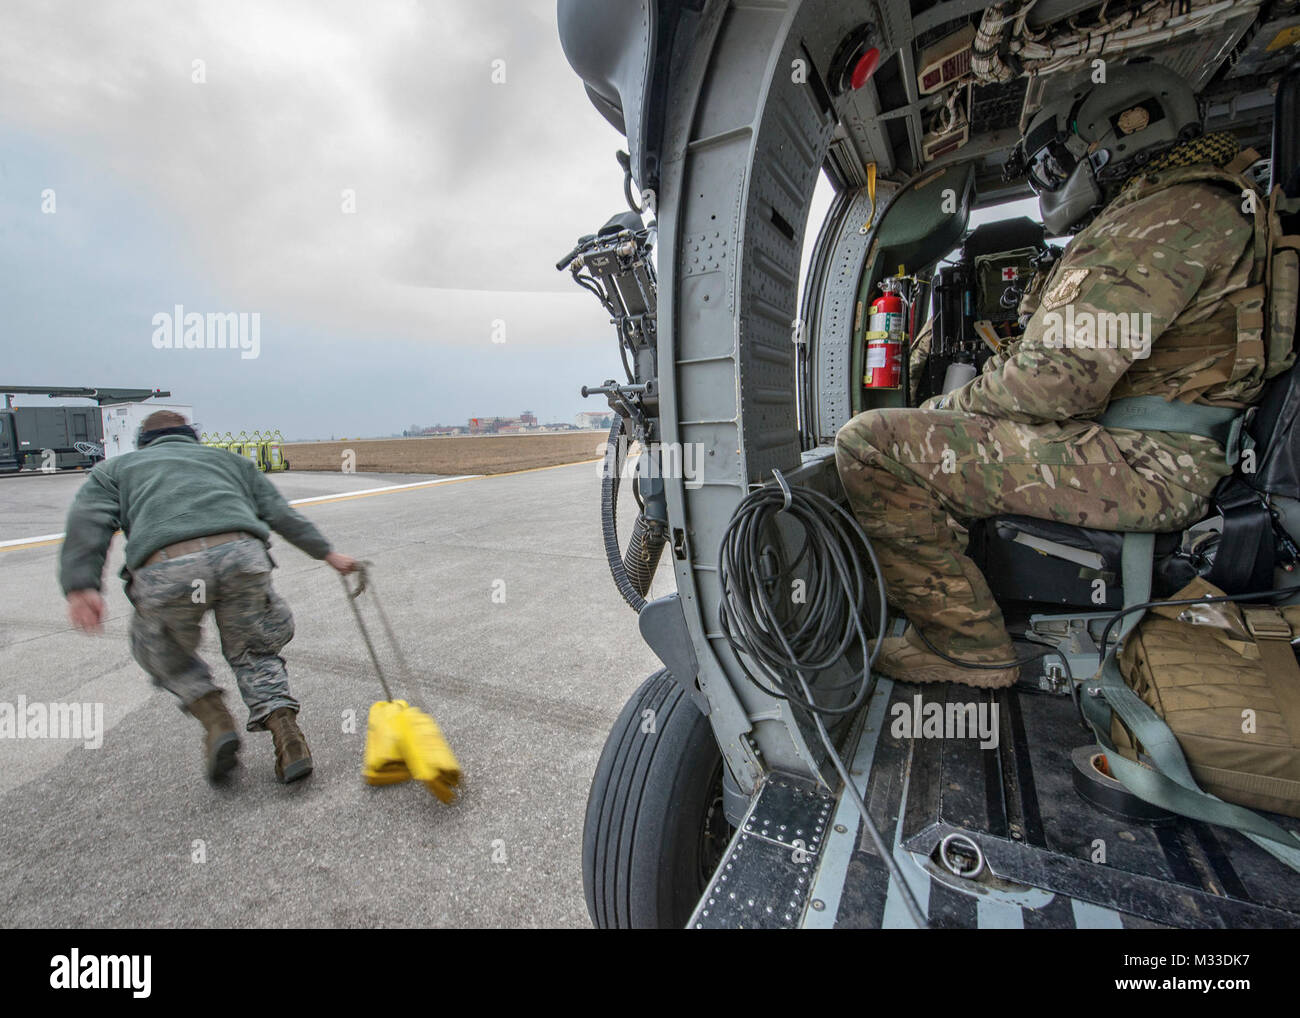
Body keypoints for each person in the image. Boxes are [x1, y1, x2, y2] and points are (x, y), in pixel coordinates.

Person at [836, 63, 1274, 687]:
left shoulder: (1161, 218)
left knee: (870, 444)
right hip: (1175, 449)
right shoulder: (1205, 204)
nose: (1051, 184)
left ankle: (972, 651)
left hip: (1150, 464)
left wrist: (952, 408)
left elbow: (1054, 381)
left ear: (1122, 133)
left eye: (1054, 166)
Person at [60, 410, 358, 781]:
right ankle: (287, 735)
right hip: (241, 557)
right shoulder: (229, 461)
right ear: (192, 437)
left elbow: (86, 522)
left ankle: (217, 719)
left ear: (143, 442)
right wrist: (328, 554)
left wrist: (81, 585)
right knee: (255, 648)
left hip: (169, 567)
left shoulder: (116, 470)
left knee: (159, 647)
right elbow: (280, 513)